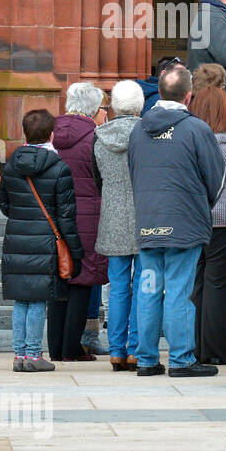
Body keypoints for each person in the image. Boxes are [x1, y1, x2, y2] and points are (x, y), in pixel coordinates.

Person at [127, 65, 226, 378]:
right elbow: (216, 178)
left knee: (148, 289)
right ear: (188, 95)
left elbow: (133, 173)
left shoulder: (138, 130)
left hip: (147, 221)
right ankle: (182, 359)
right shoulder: (196, 129)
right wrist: (201, 206)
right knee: (180, 291)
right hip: (184, 224)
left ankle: (146, 359)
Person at [0, 110, 83, 372]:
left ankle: (19, 355)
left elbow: (4, 204)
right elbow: (67, 215)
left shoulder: (12, 164)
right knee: (36, 300)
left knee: (21, 300)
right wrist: (76, 250)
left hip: (16, 240)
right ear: (51, 135)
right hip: (46, 243)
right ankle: (34, 356)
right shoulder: (59, 168)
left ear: (24, 133)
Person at [48, 83, 108, 362]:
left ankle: (56, 347)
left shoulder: (51, 135)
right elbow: (101, 178)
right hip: (87, 215)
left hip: (54, 216)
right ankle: (72, 348)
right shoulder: (95, 138)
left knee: (59, 282)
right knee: (82, 282)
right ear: (94, 109)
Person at [188, 87, 226, 367]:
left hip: (194, 220)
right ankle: (218, 348)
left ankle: (197, 344)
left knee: (198, 286)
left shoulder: (190, 144)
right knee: (220, 287)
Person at [93, 80, 145, 371]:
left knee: (118, 285)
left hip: (112, 213)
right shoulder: (148, 135)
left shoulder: (99, 137)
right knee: (141, 285)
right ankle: (136, 348)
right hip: (143, 214)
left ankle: (116, 349)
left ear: (113, 107)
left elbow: (97, 177)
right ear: (139, 107)